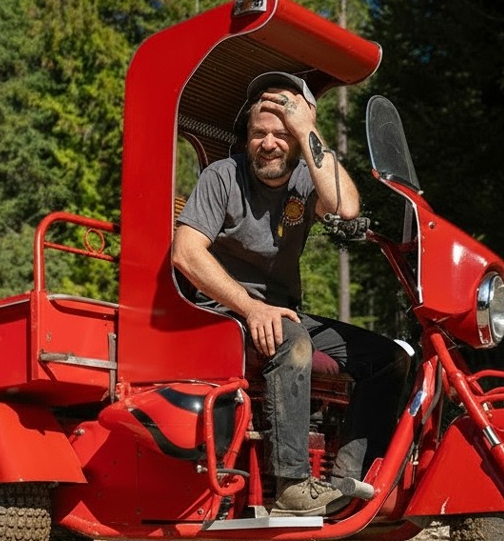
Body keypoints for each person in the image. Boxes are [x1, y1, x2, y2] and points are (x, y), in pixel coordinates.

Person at [172, 72, 411, 517]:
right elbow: (185, 253)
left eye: (282, 134)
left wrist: (307, 129)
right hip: (219, 314)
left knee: (388, 358)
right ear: (247, 137)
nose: (269, 143)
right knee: (292, 341)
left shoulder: (304, 180)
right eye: (260, 133)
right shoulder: (222, 177)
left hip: (282, 312)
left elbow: (346, 206)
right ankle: (291, 484)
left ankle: (350, 484)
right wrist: (249, 306)